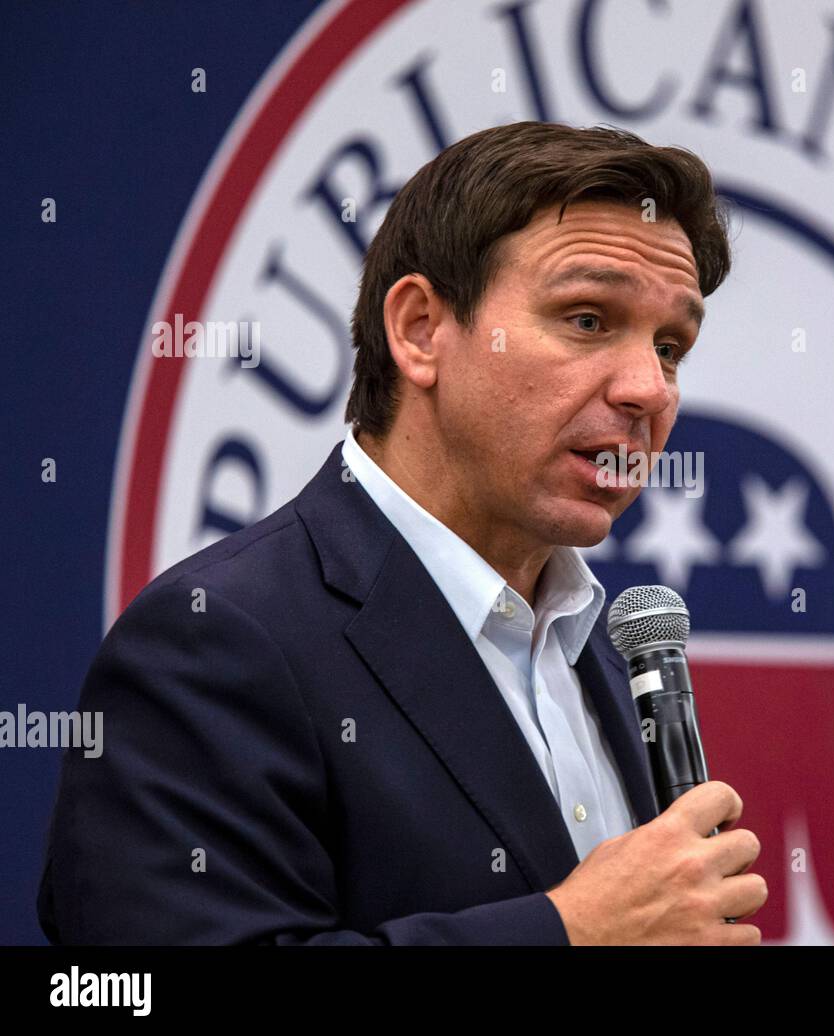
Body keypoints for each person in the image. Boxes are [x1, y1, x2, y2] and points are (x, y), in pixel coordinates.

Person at [36, 120, 767, 945]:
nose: (648, 389)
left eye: (671, 346)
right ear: (420, 328)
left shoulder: (598, 650)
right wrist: (568, 934)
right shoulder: (213, 643)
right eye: (589, 320)